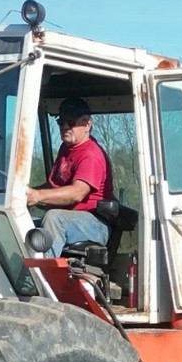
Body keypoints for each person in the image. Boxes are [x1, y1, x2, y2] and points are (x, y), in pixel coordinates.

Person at [26, 97, 114, 256]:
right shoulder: (66, 149)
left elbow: (77, 193)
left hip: (95, 223)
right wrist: (26, 193)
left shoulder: (91, 155)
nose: (65, 127)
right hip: (70, 221)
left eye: (71, 122)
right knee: (25, 225)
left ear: (87, 124)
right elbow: (53, 188)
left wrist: (38, 196)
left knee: (53, 218)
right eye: (61, 122)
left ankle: (42, 276)